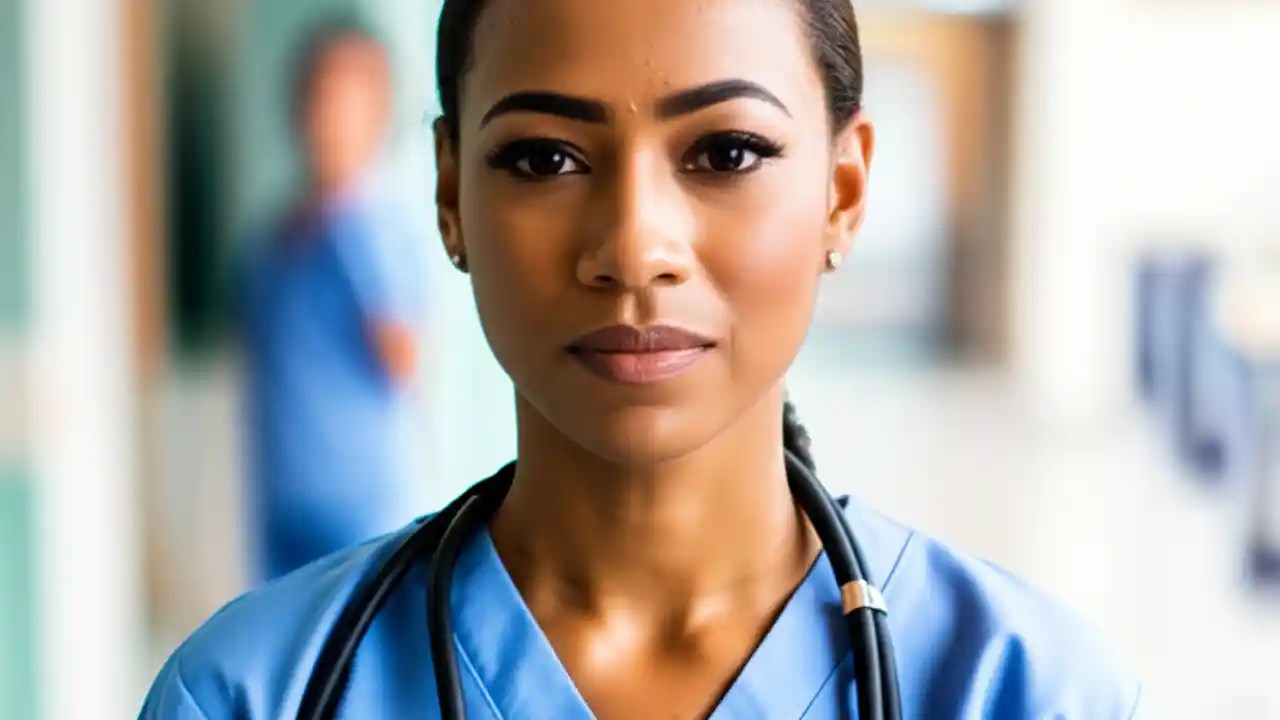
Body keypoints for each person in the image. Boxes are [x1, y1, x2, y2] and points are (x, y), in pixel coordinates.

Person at [144, 0, 1148, 717]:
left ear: (841, 194)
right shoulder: (254, 693)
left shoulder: (1027, 690)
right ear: (450, 195)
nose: (632, 245)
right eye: (543, 157)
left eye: (726, 153)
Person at [238, 18, 427, 581]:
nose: (327, 111)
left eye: (346, 95)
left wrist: (352, 234)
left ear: (379, 112)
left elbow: (405, 358)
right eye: (317, 91)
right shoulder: (274, 240)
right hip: (281, 501)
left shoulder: (375, 230)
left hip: (362, 510)